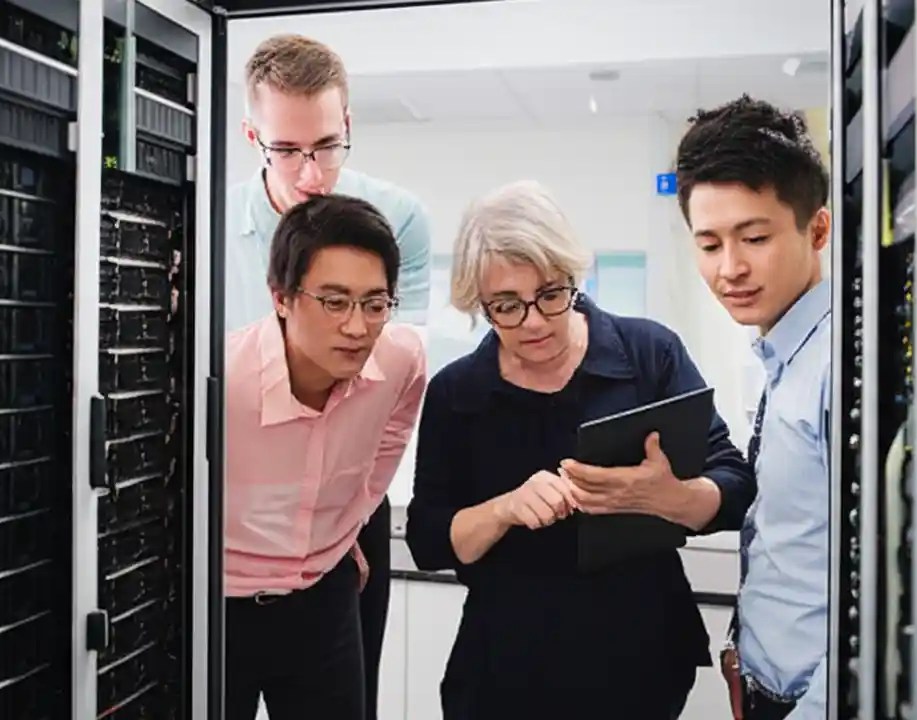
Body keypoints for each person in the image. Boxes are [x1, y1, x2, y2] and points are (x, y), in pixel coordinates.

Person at [405, 180, 756, 720]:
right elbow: (429, 540)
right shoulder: (458, 393)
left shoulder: (649, 353)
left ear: (573, 274)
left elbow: (733, 483)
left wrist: (670, 497)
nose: (535, 322)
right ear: (479, 305)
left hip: (640, 660)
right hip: (504, 671)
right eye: (506, 306)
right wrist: (502, 509)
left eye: (550, 294)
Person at [225, 33, 434, 719]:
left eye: (326, 146)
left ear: (347, 126)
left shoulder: (396, 219)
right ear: (253, 135)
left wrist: (341, 526)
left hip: (340, 510)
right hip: (227, 509)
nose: (311, 174)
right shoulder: (207, 223)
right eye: (286, 151)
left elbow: (388, 385)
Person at [673, 95, 832, 720]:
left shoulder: (840, 369)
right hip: (764, 688)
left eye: (755, 237)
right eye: (708, 244)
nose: (730, 269)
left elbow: (882, 578)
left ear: (817, 229)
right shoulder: (783, 353)